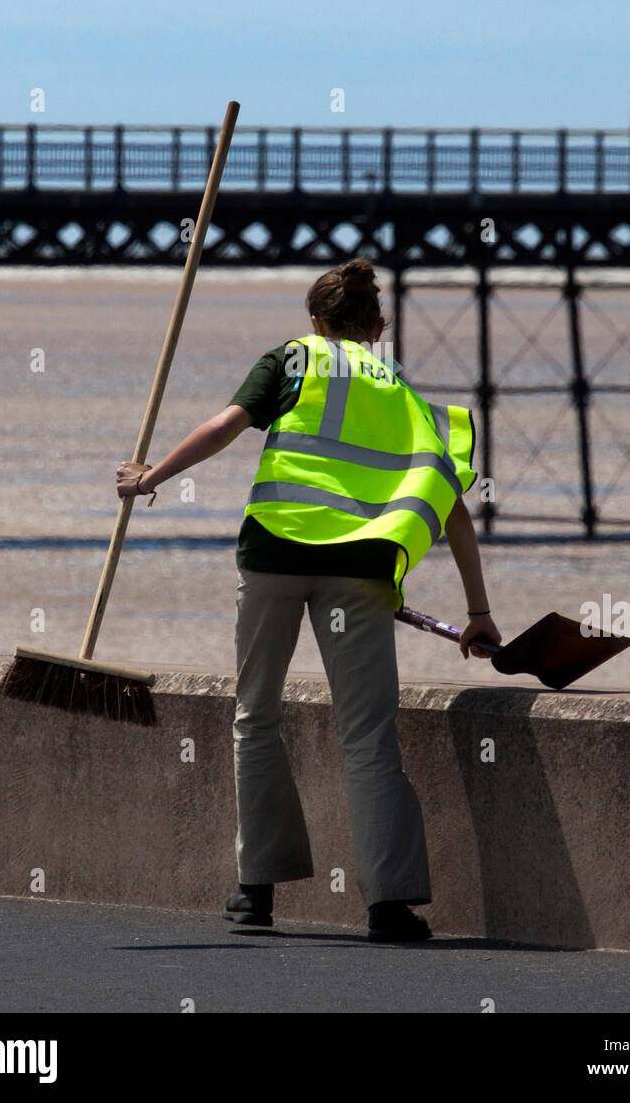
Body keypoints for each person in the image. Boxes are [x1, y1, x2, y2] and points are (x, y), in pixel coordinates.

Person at [116, 258, 502, 942]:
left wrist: (154, 477)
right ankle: (390, 904)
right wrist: (478, 614)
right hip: (361, 573)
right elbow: (452, 510)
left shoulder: (294, 360)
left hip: (274, 556)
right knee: (368, 737)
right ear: (378, 326)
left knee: (256, 715)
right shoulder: (403, 393)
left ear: (315, 321)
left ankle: (255, 891)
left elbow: (226, 424)